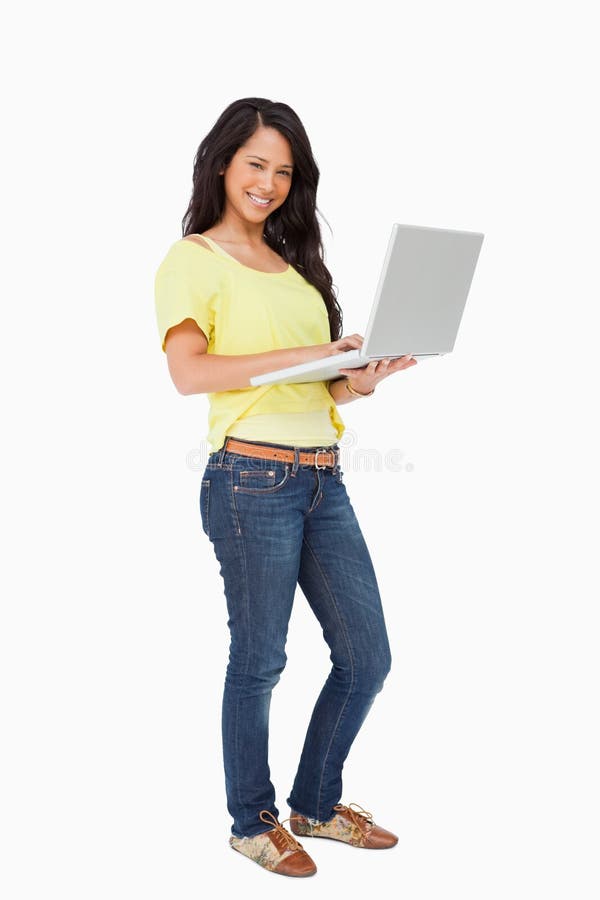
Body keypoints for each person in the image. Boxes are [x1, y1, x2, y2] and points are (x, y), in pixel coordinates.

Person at [154, 97, 417, 878]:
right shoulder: (193, 259)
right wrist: (300, 357)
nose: (268, 183)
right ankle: (251, 821)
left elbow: (308, 392)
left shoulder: (295, 261)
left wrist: (355, 383)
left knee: (367, 656)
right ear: (223, 165)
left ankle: (316, 804)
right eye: (255, 165)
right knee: (260, 659)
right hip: (249, 482)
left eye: (284, 171)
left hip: (320, 479)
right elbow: (188, 374)